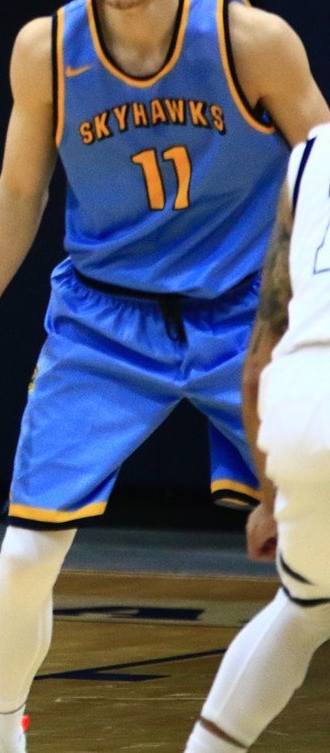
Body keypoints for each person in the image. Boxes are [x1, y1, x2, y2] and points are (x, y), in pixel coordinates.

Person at [0, 0, 329, 752]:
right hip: (104, 320)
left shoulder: (252, 40)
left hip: (239, 323)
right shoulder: (47, 49)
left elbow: (326, 173)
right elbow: (18, 195)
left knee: (318, 574)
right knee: (26, 552)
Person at [184, 121, 330, 751]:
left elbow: (255, 368)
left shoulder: (311, 158)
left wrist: (269, 499)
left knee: (307, 606)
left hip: (299, 400)